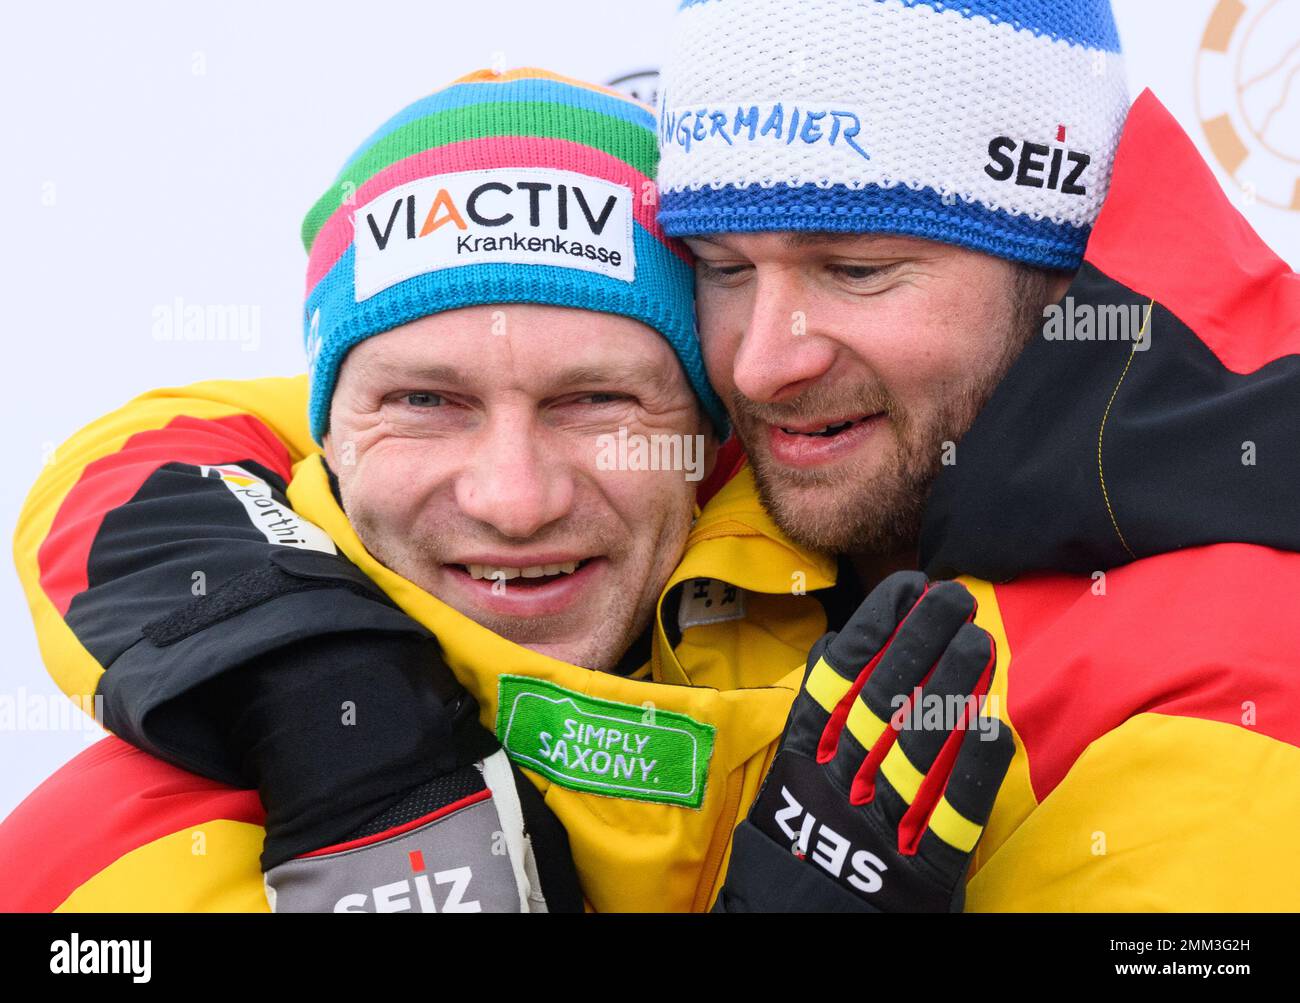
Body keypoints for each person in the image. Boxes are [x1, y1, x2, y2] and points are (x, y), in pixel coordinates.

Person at [3, 67, 1007, 912]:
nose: (514, 499)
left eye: (597, 400)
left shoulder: (945, 724)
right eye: (426, 401)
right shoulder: (102, 868)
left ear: (714, 437)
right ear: (327, 439)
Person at [658, 0, 1300, 908]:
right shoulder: (645, 502)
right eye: (723, 268)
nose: (761, 364)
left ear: (1064, 264)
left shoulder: (1245, 675)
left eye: (857, 269)